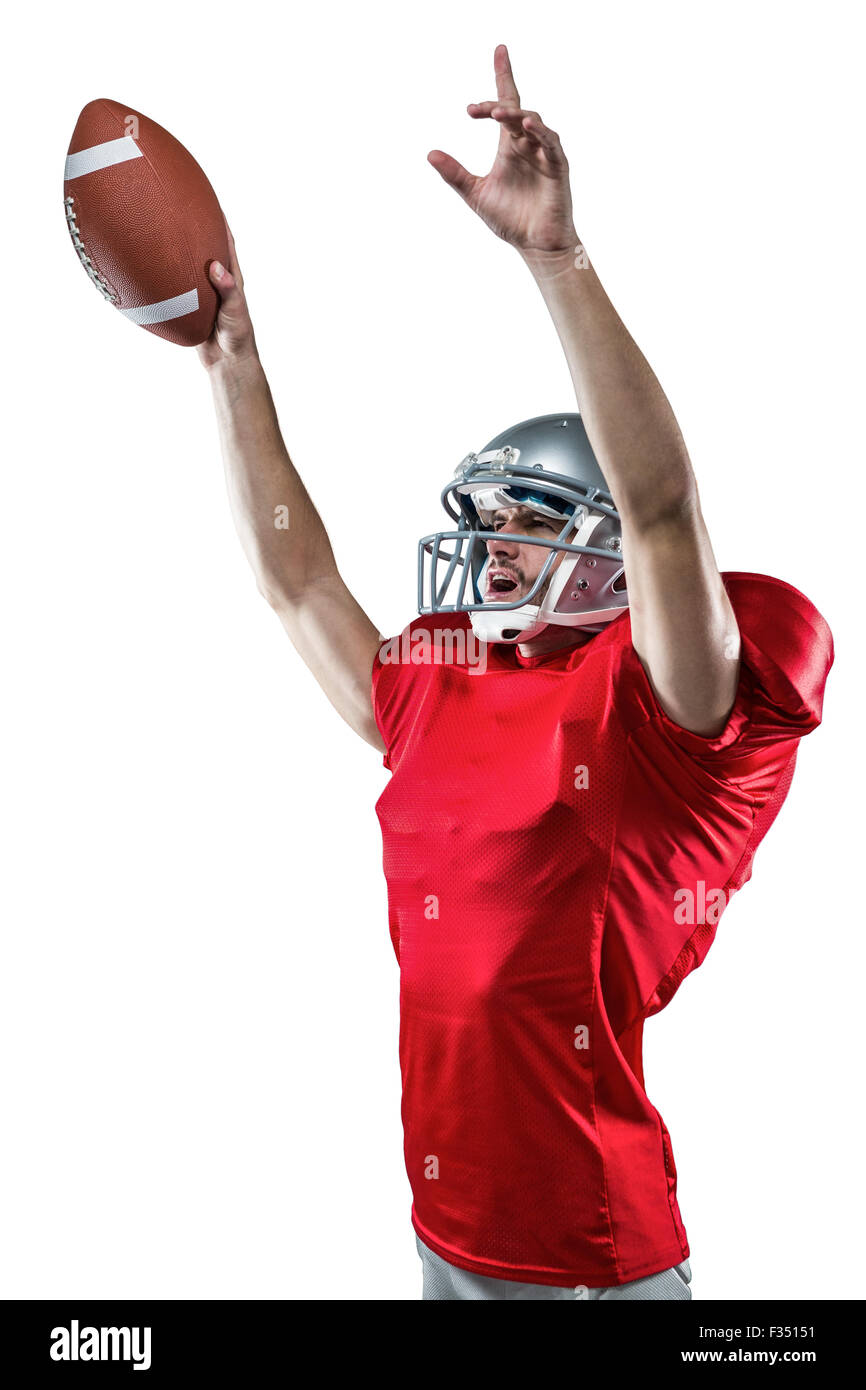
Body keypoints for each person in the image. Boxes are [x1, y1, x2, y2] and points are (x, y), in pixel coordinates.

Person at [196, 45, 833, 1300]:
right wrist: (232, 368)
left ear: (604, 555)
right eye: (483, 519)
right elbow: (298, 585)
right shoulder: (445, 690)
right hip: (441, 1225)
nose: (493, 549)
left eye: (530, 521)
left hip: (588, 1257)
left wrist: (556, 261)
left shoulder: (668, 713)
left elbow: (660, 508)